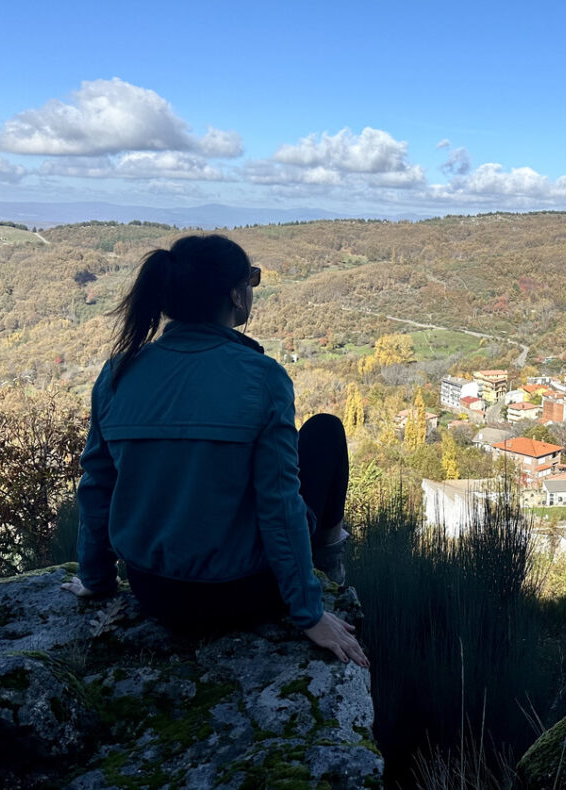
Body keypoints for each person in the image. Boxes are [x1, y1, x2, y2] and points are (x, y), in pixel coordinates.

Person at [62, 233, 368, 668]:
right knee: (324, 433)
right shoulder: (262, 377)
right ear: (235, 296)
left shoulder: (118, 373)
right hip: (243, 591)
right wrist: (310, 612)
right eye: (252, 281)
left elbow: (97, 486)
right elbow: (278, 502)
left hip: (154, 591)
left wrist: (95, 579)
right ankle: (329, 565)